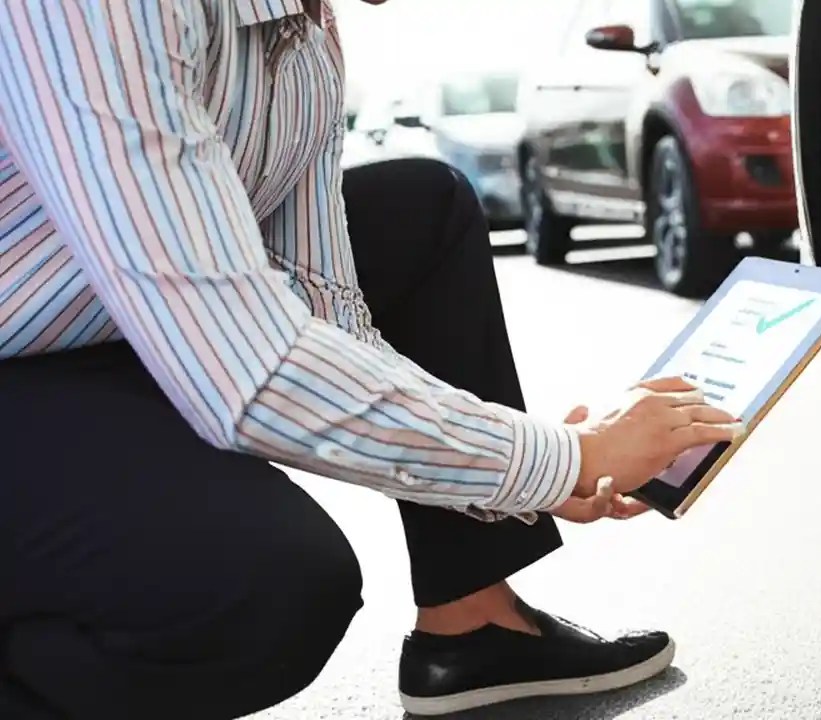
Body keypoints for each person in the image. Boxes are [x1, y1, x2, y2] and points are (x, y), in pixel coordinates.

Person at [0, 0, 741, 718]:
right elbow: (253, 375)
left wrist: (528, 475)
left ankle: (476, 626)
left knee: (425, 206)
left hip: (108, 331)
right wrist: (562, 459)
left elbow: (327, 314)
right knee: (269, 585)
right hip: (31, 365)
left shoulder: (306, 34)